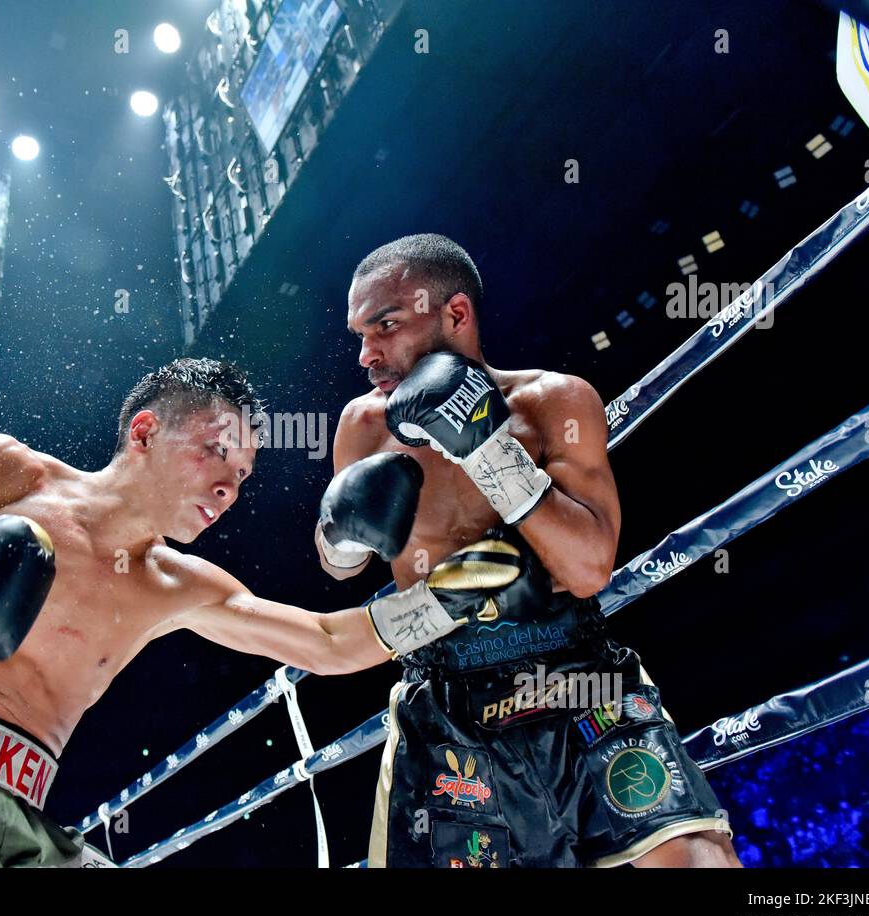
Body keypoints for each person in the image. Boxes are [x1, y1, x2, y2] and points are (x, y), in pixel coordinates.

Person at [0, 357, 537, 868]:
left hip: (21, 820)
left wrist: (443, 601)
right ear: (145, 431)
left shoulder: (177, 583)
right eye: (216, 454)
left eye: (242, 476)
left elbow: (324, 640)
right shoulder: (3, 472)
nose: (228, 490)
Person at [315, 233, 740, 867]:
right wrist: (343, 531)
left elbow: (589, 567)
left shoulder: (553, 402)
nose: (367, 353)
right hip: (448, 703)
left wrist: (488, 451)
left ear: (455, 314)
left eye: (386, 325)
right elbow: (339, 565)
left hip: (578, 676)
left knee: (697, 861)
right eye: (359, 335)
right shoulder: (364, 425)